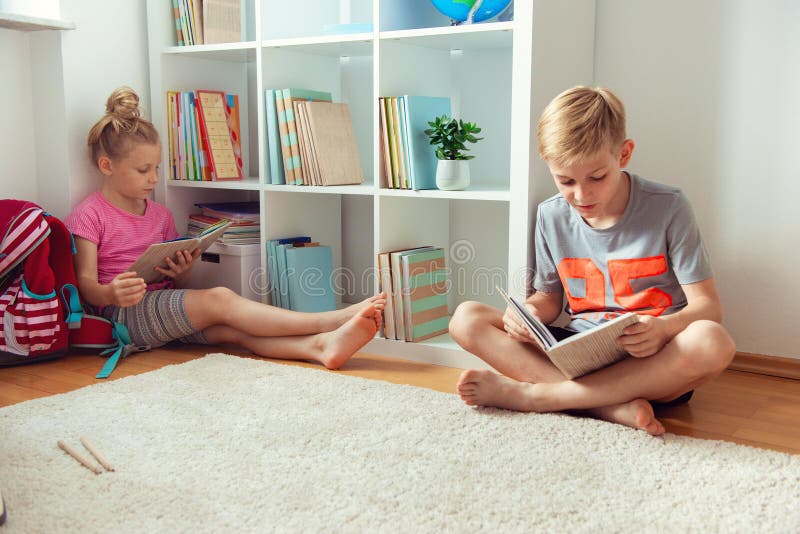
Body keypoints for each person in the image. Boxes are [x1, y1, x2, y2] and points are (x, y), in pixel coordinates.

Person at [449, 86, 736, 435]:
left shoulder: (669, 206)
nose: (581, 195)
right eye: (566, 181)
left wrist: (662, 329)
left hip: (651, 363)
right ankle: (608, 407)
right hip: (576, 356)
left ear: (624, 154)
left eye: (597, 177)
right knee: (466, 318)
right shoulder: (551, 215)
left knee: (711, 340)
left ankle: (538, 397)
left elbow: (708, 307)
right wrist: (528, 316)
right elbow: (549, 300)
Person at [66, 87, 385, 370]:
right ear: (107, 166)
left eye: (157, 168)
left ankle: (319, 347)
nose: (153, 178)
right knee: (221, 299)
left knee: (231, 332)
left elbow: (173, 282)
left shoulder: (160, 215)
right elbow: (84, 284)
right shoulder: (90, 214)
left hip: (161, 308)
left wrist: (181, 271)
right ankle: (329, 320)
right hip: (123, 316)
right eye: (143, 170)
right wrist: (111, 292)